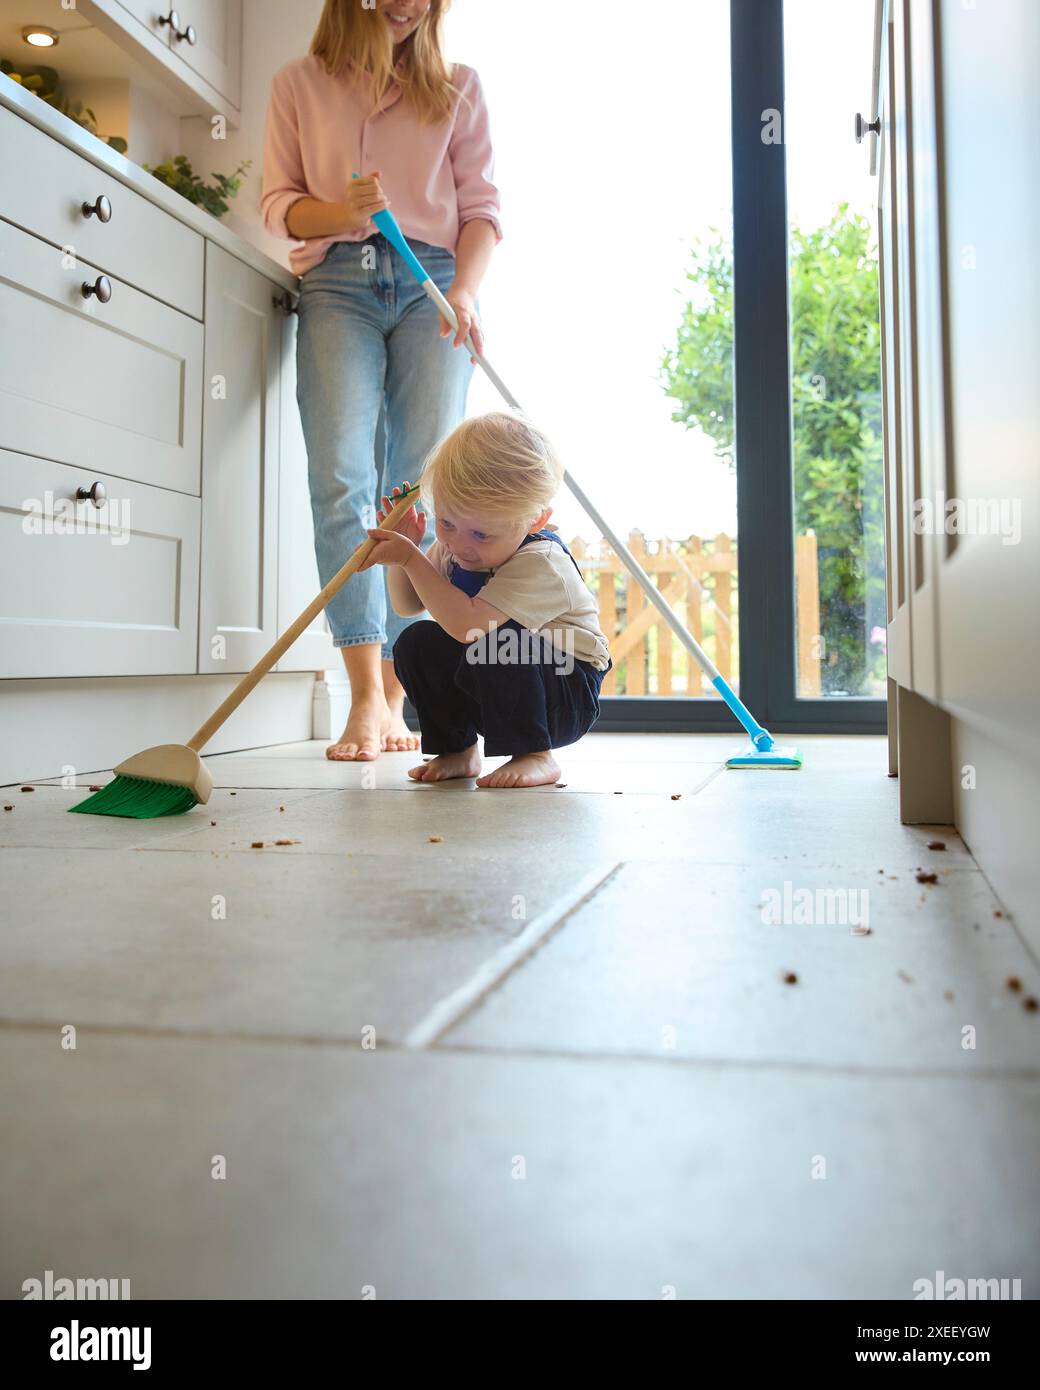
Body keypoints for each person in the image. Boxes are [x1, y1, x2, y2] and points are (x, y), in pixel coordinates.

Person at [260, 0, 502, 760]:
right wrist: (342, 208)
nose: (407, 3)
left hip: (432, 283)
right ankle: (363, 696)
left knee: (418, 489)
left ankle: (401, 698)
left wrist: (464, 291)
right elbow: (280, 207)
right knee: (341, 476)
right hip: (338, 283)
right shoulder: (300, 82)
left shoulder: (457, 86)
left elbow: (483, 209)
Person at [358, 412, 613, 788]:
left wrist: (412, 558)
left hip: (564, 691)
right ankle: (457, 749)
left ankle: (536, 754)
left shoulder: (541, 562)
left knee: (496, 641)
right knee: (416, 642)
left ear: (534, 521)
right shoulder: (455, 546)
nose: (461, 545)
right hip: (492, 679)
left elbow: (469, 625)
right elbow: (407, 605)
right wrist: (407, 554)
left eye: (481, 533)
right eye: (446, 523)